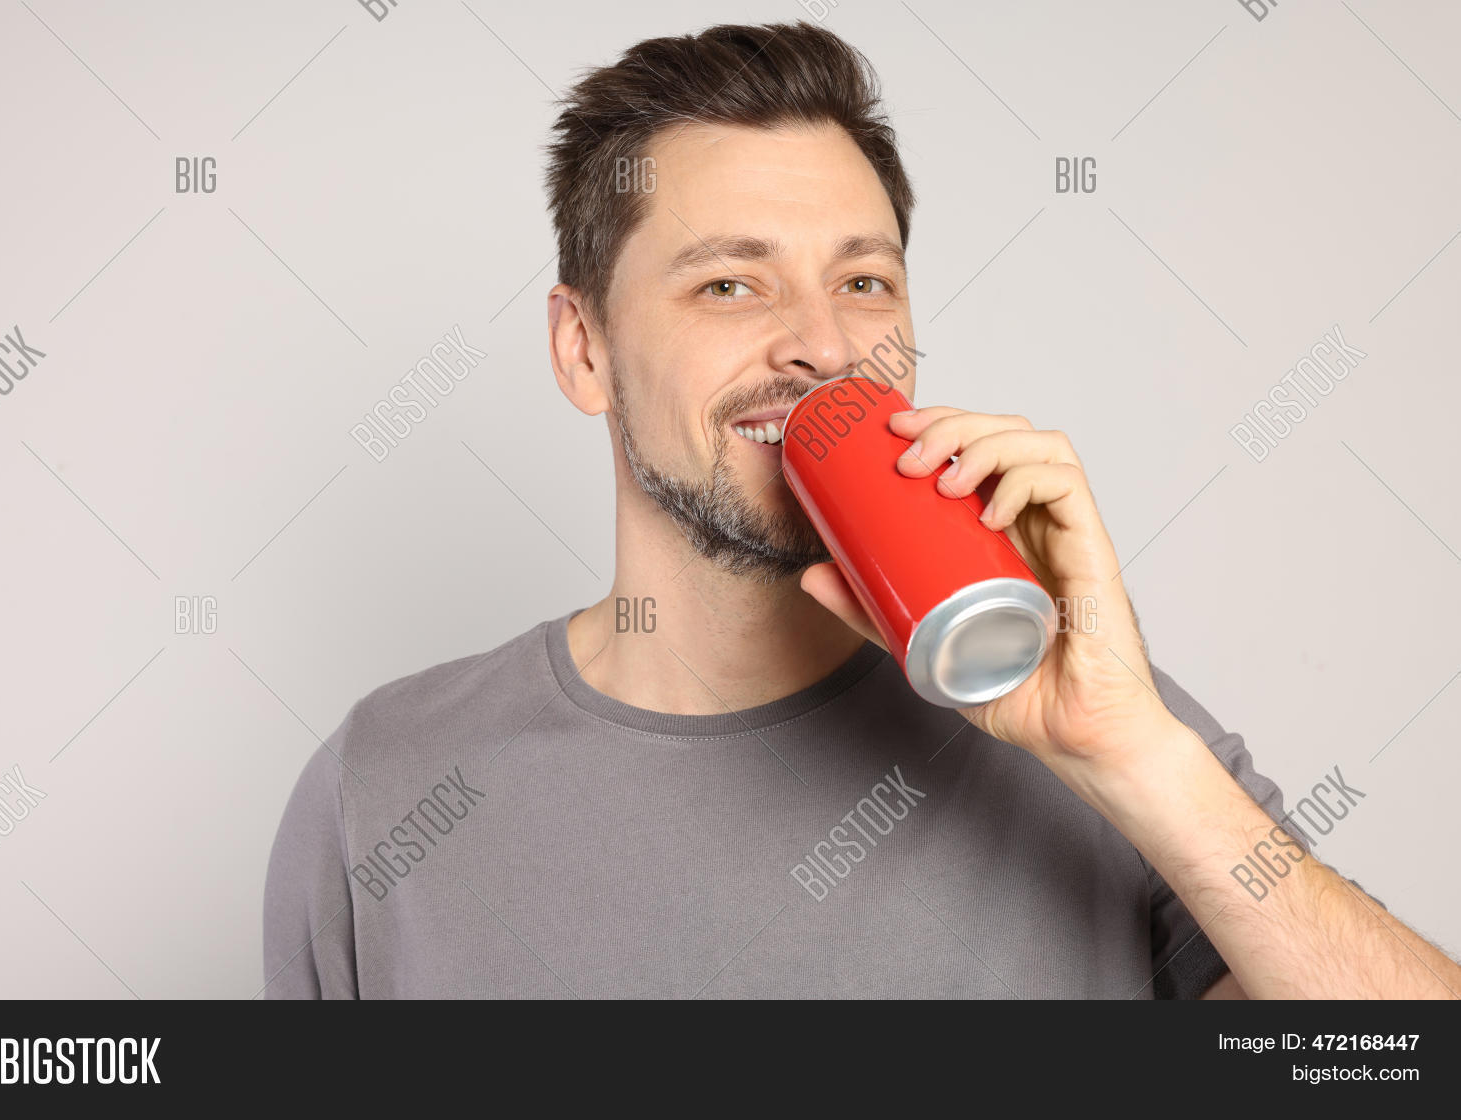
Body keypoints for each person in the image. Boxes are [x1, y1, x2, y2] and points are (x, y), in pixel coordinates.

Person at [263, 20, 1459, 999]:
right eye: (730, 282)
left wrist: (1138, 759)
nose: (825, 345)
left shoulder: (1087, 725)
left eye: (864, 281)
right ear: (584, 350)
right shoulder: (393, 787)